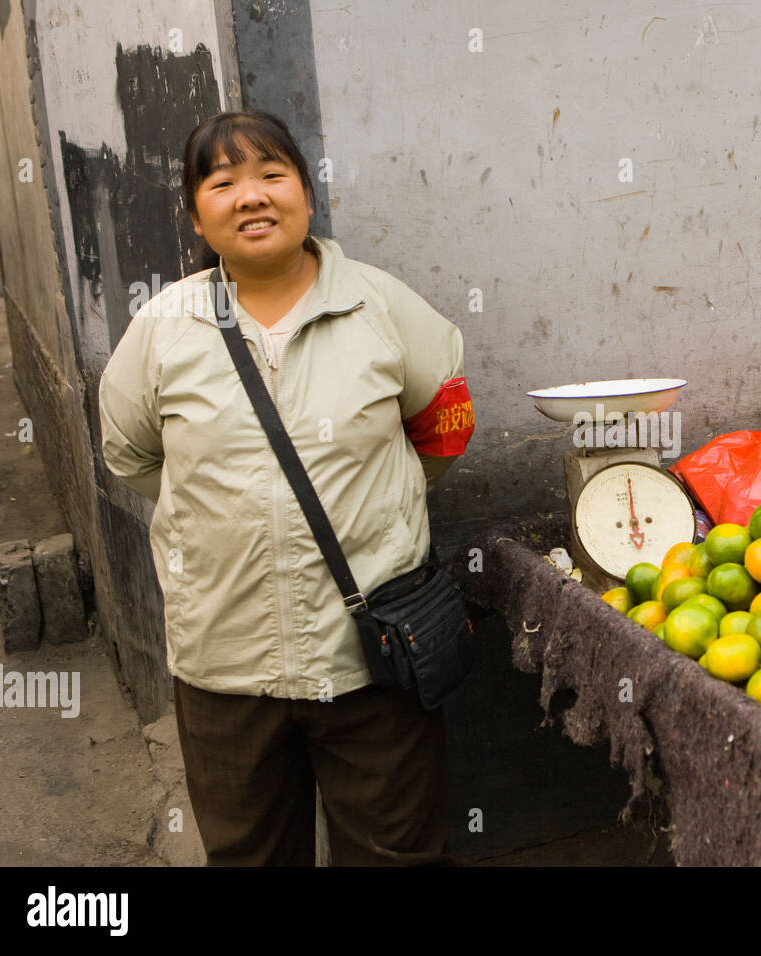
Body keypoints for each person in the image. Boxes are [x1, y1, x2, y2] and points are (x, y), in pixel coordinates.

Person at [98, 109, 475, 865]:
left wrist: (381, 505)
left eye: (272, 174)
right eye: (223, 181)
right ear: (196, 215)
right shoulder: (163, 329)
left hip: (371, 659)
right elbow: (131, 455)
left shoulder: (384, 308)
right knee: (249, 857)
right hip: (224, 665)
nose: (251, 196)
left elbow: (443, 428)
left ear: (306, 192)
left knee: (400, 855)